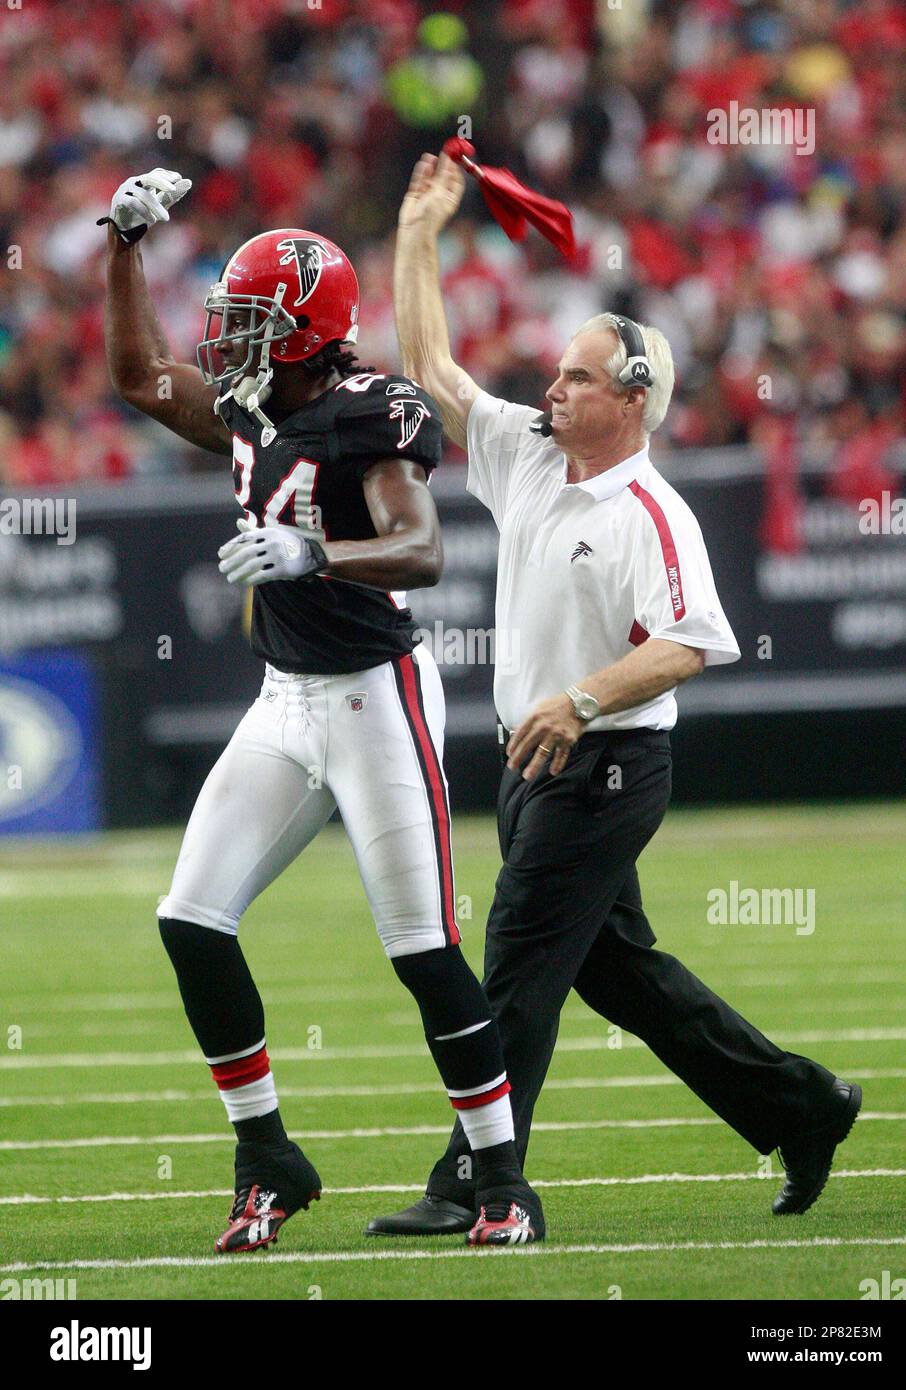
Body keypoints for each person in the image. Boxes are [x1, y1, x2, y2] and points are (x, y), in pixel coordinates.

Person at [367, 150, 861, 1238]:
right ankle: (802, 1102)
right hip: (540, 760)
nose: (551, 389)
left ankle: (477, 1184)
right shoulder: (532, 458)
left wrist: (580, 700)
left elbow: (692, 638)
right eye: (555, 374)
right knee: (621, 979)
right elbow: (429, 366)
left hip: (605, 762)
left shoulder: (651, 511)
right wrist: (418, 232)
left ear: (633, 399)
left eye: (577, 378)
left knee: (514, 969)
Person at [100, 168, 545, 1251]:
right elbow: (140, 375)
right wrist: (121, 244)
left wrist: (313, 550)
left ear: (308, 331)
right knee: (190, 921)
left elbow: (425, 548)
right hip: (284, 700)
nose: (231, 339)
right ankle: (268, 1157)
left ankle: (500, 1181)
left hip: (373, 696)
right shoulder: (253, 407)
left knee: (421, 945)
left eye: (252, 321)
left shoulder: (369, 411)